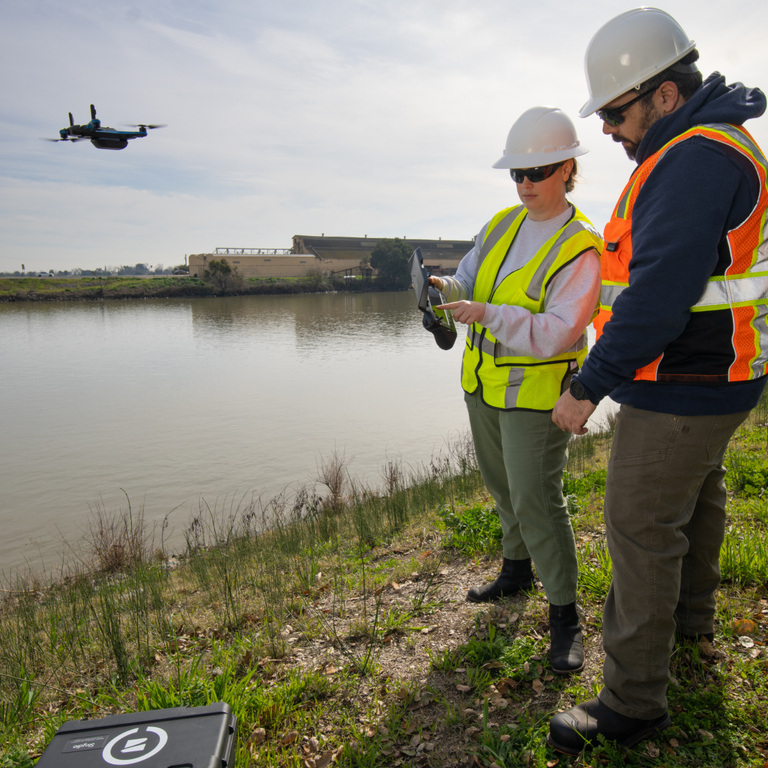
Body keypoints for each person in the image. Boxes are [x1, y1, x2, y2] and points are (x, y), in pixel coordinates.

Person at [548, 7, 768, 755]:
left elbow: (656, 297)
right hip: (723, 376)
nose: (608, 129)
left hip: (684, 381)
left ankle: (633, 702)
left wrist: (587, 385)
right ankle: (692, 624)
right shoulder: (718, 145)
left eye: (615, 111)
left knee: (641, 525)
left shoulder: (696, 158)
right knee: (695, 499)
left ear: (664, 95)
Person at [431, 106, 603, 675]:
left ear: (567, 171)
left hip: (535, 397)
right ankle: (515, 569)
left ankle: (565, 616)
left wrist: (485, 313)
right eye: (518, 174)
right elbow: (470, 275)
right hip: (482, 386)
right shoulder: (501, 224)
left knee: (538, 501)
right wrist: (445, 286)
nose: (526, 184)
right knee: (503, 487)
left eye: (539, 172)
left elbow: (560, 331)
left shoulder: (582, 248)